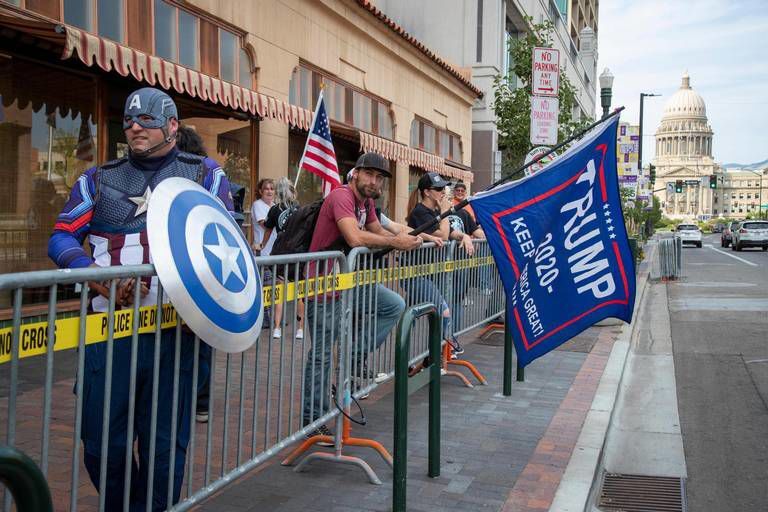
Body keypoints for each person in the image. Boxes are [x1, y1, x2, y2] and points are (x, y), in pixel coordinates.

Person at [48, 87, 233, 511]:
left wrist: (205, 304)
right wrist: (100, 280)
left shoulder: (205, 175)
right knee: (100, 443)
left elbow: (226, 243)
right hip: (108, 333)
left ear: (172, 125)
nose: (135, 126)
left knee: (165, 446)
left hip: (174, 332)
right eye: (130, 120)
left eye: (147, 119)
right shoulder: (97, 179)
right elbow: (61, 237)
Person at [302, 152, 422, 439]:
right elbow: (355, 237)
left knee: (394, 304)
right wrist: (397, 242)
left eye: (379, 177)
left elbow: (378, 230)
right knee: (320, 356)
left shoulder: (366, 202)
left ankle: (352, 357)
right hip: (323, 285)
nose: (374, 181)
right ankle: (312, 421)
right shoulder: (341, 197)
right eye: (369, 174)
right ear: (355, 173)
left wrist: (412, 239)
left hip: (347, 283)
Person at [405, 172, 475, 355]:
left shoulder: (435, 212)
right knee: (437, 313)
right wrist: (445, 212)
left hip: (432, 273)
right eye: (439, 189)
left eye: (444, 188)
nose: (443, 192)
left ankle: (433, 357)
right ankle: (437, 353)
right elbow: (442, 236)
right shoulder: (420, 212)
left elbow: (451, 233)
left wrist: (465, 236)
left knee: (421, 316)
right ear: (427, 192)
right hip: (416, 275)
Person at [173, 124, 215, 424]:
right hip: (199, 268)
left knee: (194, 339)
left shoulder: (198, 176)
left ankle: (193, 399)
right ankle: (198, 400)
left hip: (192, 267)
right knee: (200, 340)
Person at [262, 177, 305, 340]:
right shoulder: (299, 208)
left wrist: (261, 244)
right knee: (299, 291)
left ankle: (277, 328)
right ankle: (300, 329)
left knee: (279, 289)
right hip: (298, 252)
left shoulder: (274, 210)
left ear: (278, 192)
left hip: (281, 252)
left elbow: (267, 230)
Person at [251, 179, 276, 255]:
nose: (269, 191)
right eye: (266, 189)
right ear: (261, 191)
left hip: (273, 249)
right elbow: (266, 226)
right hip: (261, 249)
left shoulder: (275, 206)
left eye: (272, 189)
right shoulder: (257, 205)